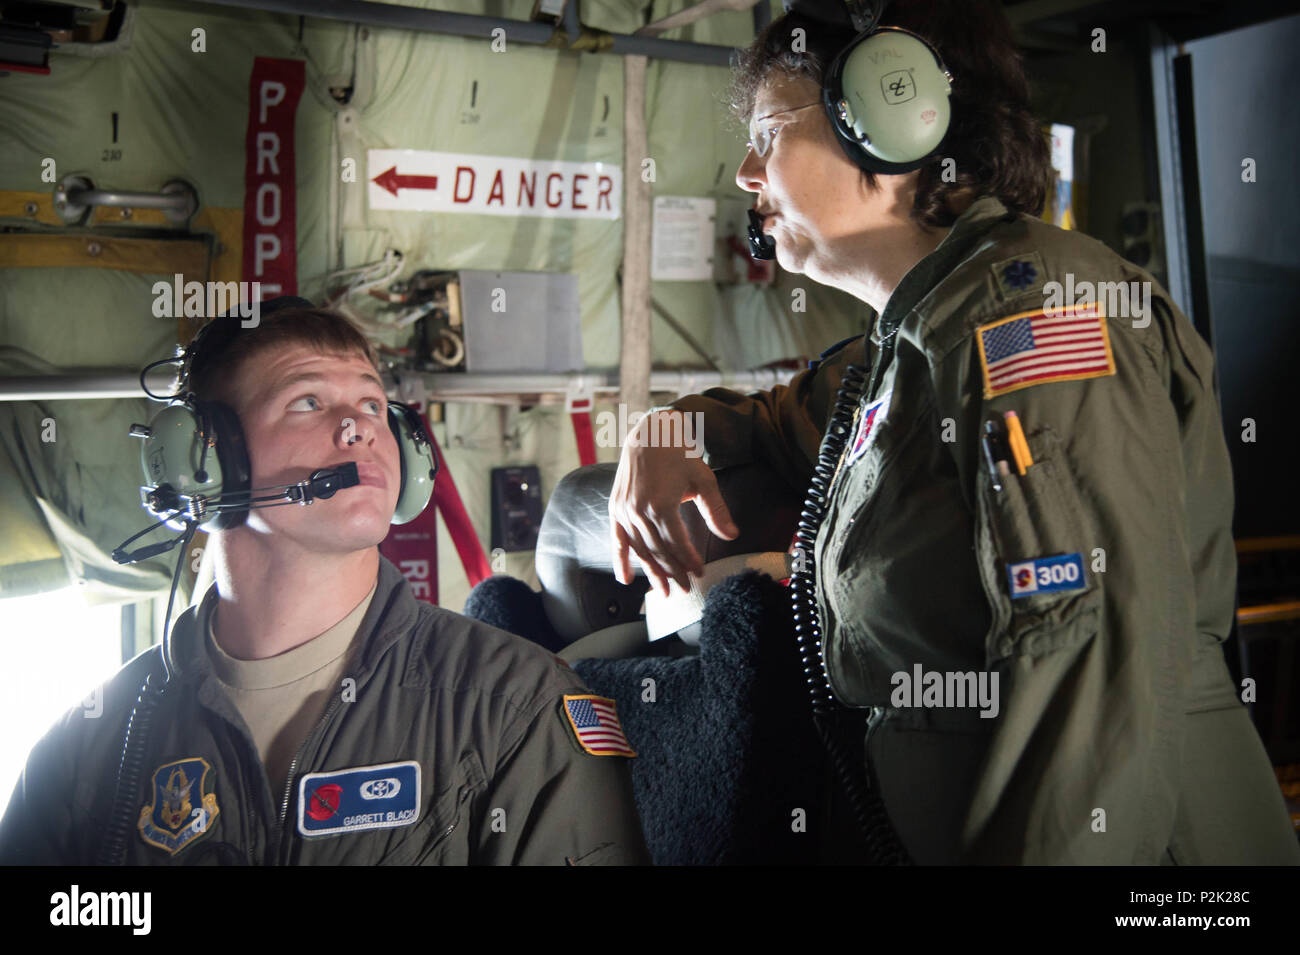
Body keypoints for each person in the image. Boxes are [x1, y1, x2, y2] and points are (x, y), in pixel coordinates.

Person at [608, 0, 1299, 864]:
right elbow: (772, 428)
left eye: (771, 130)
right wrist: (662, 433)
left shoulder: (1033, 313)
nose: (748, 171)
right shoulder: (911, 341)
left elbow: (1088, 657)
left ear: (893, 118)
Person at [0, 299, 648, 865]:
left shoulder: (518, 709)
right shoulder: (83, 750)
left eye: (372, 402)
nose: (359, 425)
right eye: (308, 400)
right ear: (208, 461)